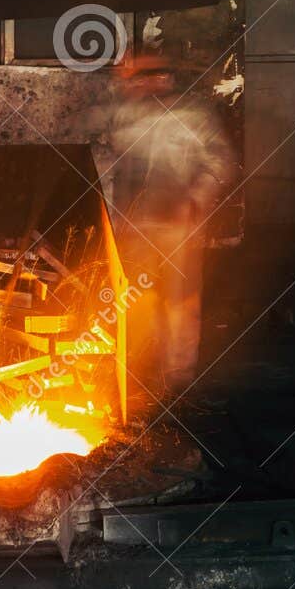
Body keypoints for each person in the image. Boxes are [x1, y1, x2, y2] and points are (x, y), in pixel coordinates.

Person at [81, 54, 235, 397]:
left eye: (147, 77)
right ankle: (137, 375)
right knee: (135, 301)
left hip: (180, 228)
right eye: (134, 79)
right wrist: (114, 216)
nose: (140, 84)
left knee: (179, 302)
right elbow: (105, 160)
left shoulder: (192, 118)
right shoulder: (126, 116)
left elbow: (221, 160)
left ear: (164, 78)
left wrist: (195, 199)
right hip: (137, 227)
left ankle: (177, 381)